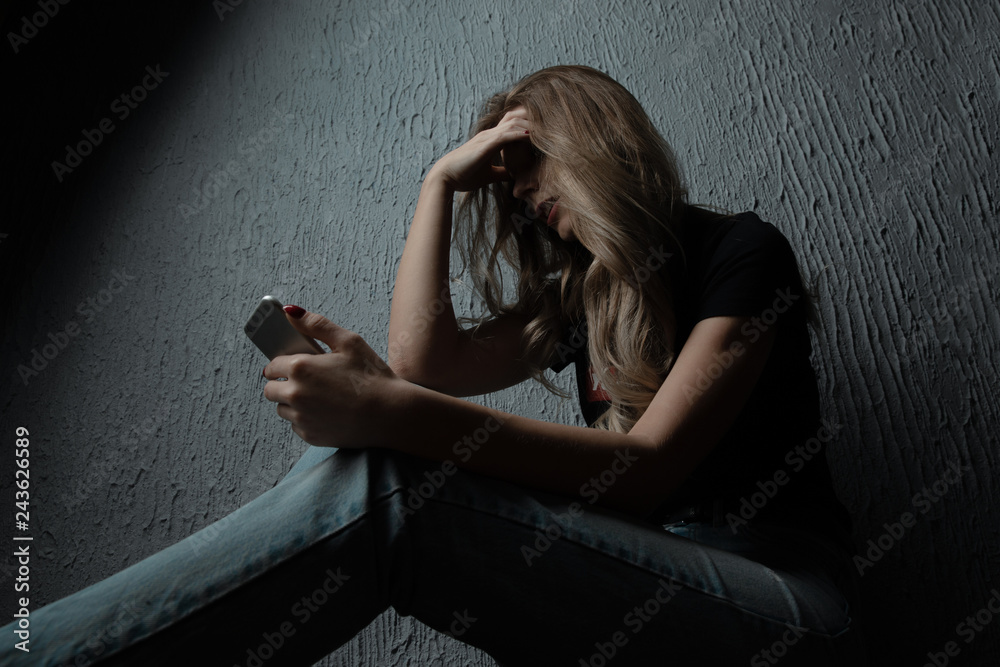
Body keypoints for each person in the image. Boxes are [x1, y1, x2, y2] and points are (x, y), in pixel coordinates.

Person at [2, 65, 868, 665]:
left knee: (393, 488)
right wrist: (435, 186)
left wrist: (390, 412)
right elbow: (427, 362)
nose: (523, 195)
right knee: (378, 463)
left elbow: (645, 473)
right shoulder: (582, 301)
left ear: (595, 137)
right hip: (648, 584)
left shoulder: (739, 251)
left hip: (784, 597)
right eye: (509, 185)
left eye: (532, 165)